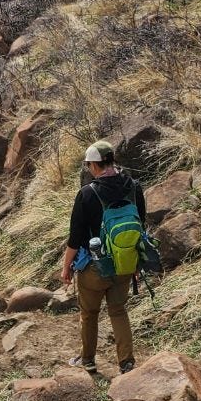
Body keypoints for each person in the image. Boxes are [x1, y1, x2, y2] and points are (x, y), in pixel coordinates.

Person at [60, 140, 147, 374]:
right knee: (118, 311)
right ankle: (126, 362)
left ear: (94, 165)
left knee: (89, 314)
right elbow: (142, 225)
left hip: (95, 267)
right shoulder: (134, 187)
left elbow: (75, 237)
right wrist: (137, 260)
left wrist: (66, 267)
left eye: (89, 165)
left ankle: (87, 359)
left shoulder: (87, 194)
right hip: (125, 263)